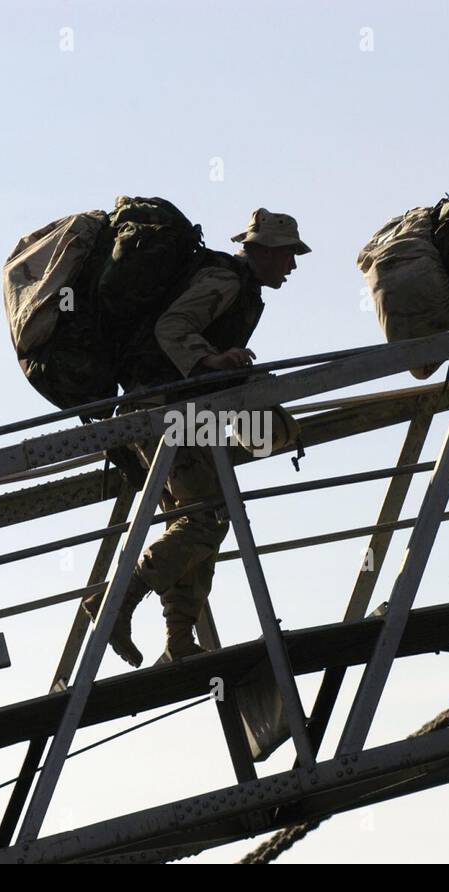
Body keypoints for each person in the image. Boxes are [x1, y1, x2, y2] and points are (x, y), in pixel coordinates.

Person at [83, 208, 309, 666]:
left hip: (176, 412)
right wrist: (212, 361)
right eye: (288, 254)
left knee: (199, 519)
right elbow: (173, 328)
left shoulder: (238, 286)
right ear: (263, 250)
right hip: (161, 412)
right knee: (206, 520)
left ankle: (180, 637)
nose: (293, 265)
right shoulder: (226, 281)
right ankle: (114, 604)